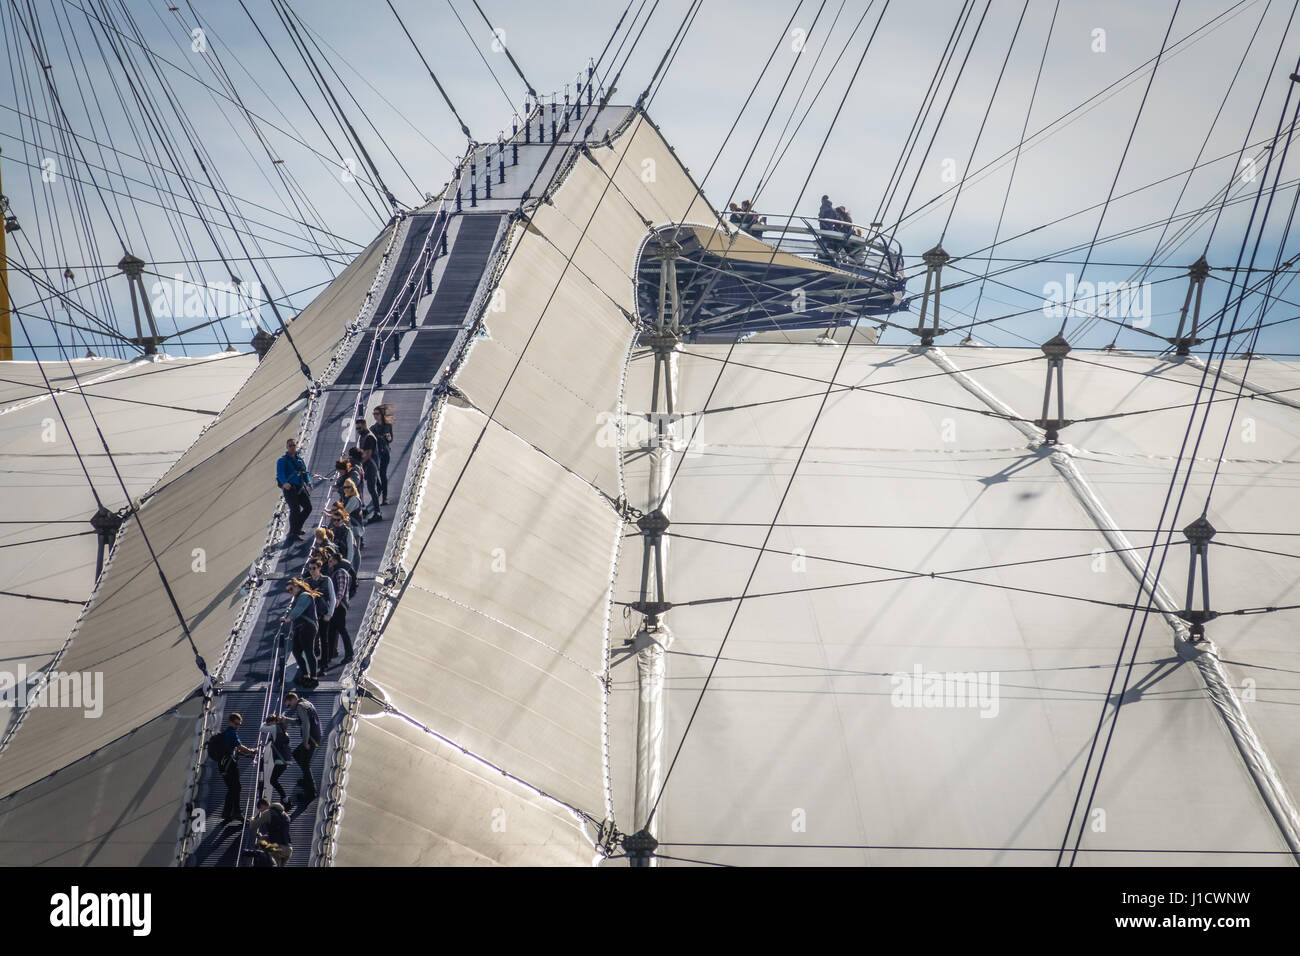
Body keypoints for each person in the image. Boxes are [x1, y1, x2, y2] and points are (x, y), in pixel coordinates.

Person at [218, 713, 258, 824]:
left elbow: (235, 750)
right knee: (236, 787)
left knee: (233, 788)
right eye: (236, 724)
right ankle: (236, 813)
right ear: (230, 722)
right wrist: (252, 751)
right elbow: (239, 747)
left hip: (224, 765)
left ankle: (227, 813)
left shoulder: (227, 733)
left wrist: (246, 754)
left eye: (239, 724)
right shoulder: (231, 733)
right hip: (229, 766)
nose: (237, 726)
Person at [281, 578, 320, 688]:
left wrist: (288, 619)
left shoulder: (304, 596)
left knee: (309, 652)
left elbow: (299, 610)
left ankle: (314, 677)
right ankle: (305, 675)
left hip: (308, 627)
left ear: (297, 586)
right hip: (300, 627)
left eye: (291, 589)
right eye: (288, 591)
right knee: (296, 651)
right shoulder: (298, 597)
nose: (290, 592)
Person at [284, 692, 321, 803]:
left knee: (305, 764)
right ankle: (307, 780)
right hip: (315, 736)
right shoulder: (306, 703)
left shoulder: (300, 707)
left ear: (292, 700)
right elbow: (301, 721)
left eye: (289, 705)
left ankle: (311, 792)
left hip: (311, 739)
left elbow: (305, 725)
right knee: (296, 754)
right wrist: (286, 719)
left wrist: (305, 742)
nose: (290, 708)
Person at [323, 547, 355, 665]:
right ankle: (331, 653)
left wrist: (337, 600)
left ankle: (349, 654)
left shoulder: (340, 572)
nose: (329, 563)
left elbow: (341, 588)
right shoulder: (334, 572)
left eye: (331, 561)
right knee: (332, 629)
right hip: (336, 605)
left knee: (341, 629)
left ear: (336, 561)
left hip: (339, 605)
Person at [276, 439, 313, 542]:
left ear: (296, 446)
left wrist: (308, 481)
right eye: (290, 446)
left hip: (299, 487)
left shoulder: (299, 460)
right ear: (287, 447)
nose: (292, 447)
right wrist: (284, 483)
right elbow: (280, 474)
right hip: (290, 488)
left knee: (308, 507)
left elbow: (305, 473)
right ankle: (293, 533)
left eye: (293, 445)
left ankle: (297, 528)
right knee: (295, 509)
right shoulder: (282, 460)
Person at [305, 556, 336, 671]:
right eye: (310, 569)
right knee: (312, 639)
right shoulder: (306, 582)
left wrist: (330, 613)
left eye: (314, 568)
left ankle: (324, 664)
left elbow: (333, 597)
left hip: (323, 614)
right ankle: (313, 661)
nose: (311, 571)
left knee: (324, 639)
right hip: (311, 615)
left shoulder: (327, 580)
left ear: (319, 568)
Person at [248, 800, 292, 867]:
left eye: (260, 810)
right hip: (288, 849)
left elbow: (253, 826)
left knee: (260, 845)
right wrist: (263, 837)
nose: (261, 813)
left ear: (263, 806)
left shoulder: (268, 813)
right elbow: (278, 833)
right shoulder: (285, 815)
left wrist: (252, 819)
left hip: (277, 848)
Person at [354, 420, 383, 521]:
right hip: (368, 465)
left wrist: (358, 463)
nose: (358, 430)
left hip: (371, 465)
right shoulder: (363, 436)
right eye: (357, 428)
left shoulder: (369, 437)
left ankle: (377, 513)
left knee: (371, 489)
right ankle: (370, 509)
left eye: (359, 428)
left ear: (364, 426)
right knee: (372, 487)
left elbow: (368, 454)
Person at [263, 714, 293, 810]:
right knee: (274, 780)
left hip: (281, 760)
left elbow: (261, 728)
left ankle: (286, 800)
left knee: (273, 780)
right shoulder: (279, 729)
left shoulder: (276, 729)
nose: (268, 726)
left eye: (269, 723)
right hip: (284, 759)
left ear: (274, 722)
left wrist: (266, 724)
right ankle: (284, 799)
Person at [371, 405, 394, 505]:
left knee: (382, 474)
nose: (375, 416)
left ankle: (385, 497)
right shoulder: (373, 428)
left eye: (377, 414)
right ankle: (379, 487)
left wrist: (389, 438)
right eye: (374, 414)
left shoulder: (388, 426)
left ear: (381, 415)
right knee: (372, 473)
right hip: (376, 454)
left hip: (384, 453)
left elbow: (391, 439)